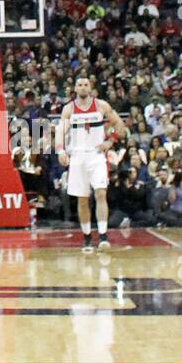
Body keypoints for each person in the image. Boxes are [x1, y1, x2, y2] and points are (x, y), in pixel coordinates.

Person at [57, 76, 127, 252]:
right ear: (75, 88)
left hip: (96, 156)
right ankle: (87, 237)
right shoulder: (68, 109)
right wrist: (60, 150)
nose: (82, 87)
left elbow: (120, 126)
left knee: (101, 193)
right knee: (82, 199)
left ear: (91, 88)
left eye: (85, 85)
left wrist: (110, 142)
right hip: (78, 156)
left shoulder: (102, 105)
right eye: (79, 84)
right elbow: (60, 131)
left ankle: (103, 236)